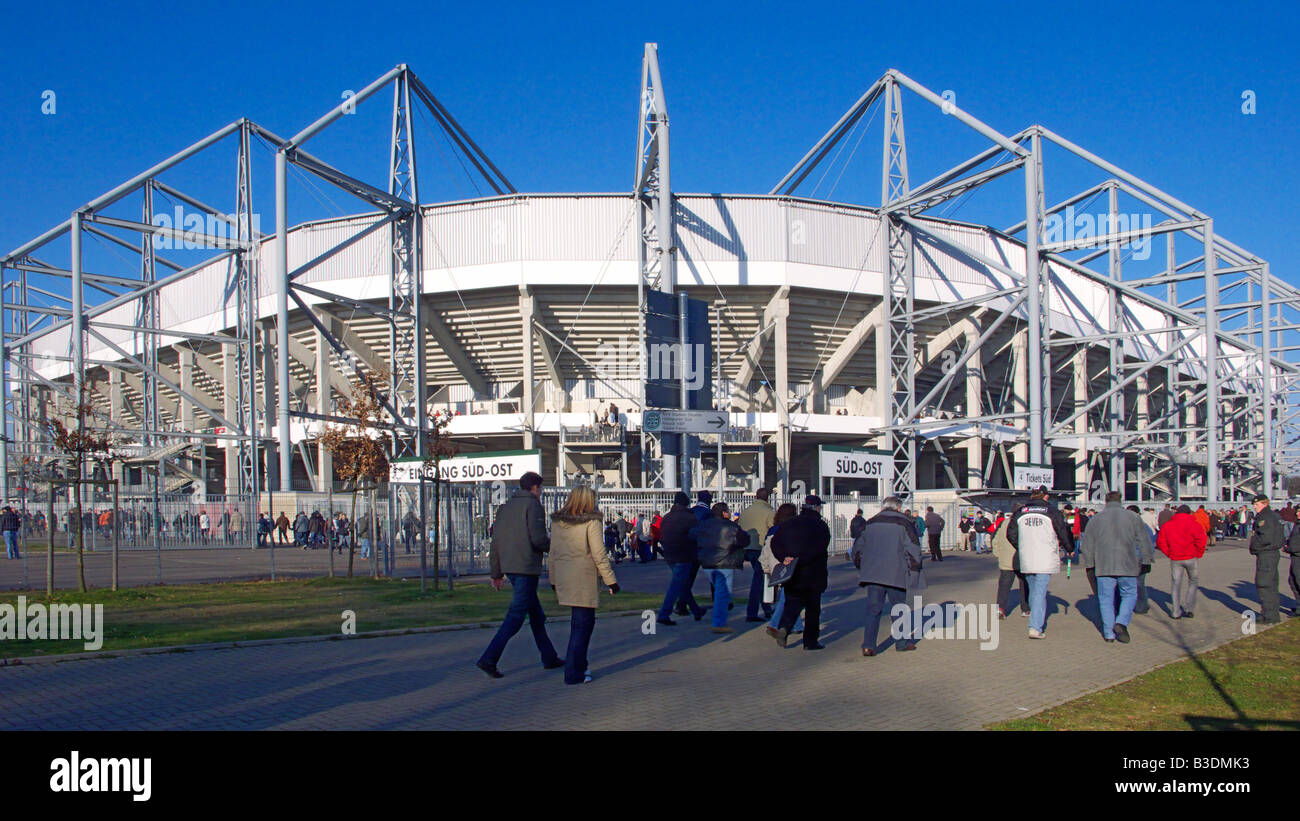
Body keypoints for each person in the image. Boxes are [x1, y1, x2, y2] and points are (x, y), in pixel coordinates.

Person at [476, 472, 564, 678]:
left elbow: (495, 541)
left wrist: (496, 572)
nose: (540, 492)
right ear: (534, 488)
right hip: (526, 567)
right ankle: (489, 658)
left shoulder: (504, 509)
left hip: (510, 567)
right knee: (515, 617)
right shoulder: (533, 506)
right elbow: (538, 539)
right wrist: (558, 548)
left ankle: (549, 657)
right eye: (540, 489)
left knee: (536, 616)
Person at [547, 485, 619, 685]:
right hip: (584, 577)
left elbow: (552, 554)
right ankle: (574, 671)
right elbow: (598, 553)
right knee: (583, 626)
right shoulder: (592, 521)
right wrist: (610, 579)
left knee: (577, 623)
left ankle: (580, 665)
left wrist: (553, 579)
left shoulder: (558, 522)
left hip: (565, 576)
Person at [852, 496, 923, 656]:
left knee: (873, 610)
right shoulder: (905, 523)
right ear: (898, 508)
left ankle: (868, 645)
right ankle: (902, 642)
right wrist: (914, 571)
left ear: (883, 507)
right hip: (896, 573)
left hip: (873, 574)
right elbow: (913, 550)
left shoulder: (869, 523)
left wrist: (862, 567)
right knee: (898, 608)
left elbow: (857, 549)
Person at [1080, 492, 1152, 643]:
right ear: (1121, 501)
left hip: (1103, 565)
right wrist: (1146, 560)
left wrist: (1090, 564)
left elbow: (1086, 544)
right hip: (1128, 564)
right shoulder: (1133, 517)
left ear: (1106, 501)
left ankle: (1108, 634)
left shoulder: (1096, 519)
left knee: (1105, 599)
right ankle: (1121, 622)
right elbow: (1144, 541)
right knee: (1130, 594)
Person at [1007, 486, 1073, 639]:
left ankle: (1035, 622)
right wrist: (1069, 547)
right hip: (1045, 556)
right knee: (1040, 591)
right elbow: (1062, 530)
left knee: (1034, 589)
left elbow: (1010, 533)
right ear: (1046, 496)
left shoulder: (1020, 512)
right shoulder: (1052, 511)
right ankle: (1035, 627)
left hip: (1027, 557)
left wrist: (1020, 546)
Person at [770, 495, 832, 650]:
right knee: (813, 608)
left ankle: (784, 628)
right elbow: (820, 548)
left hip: (792, 572)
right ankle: (810, 642)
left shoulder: (788, 524)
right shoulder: (821, 526)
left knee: (792, 603)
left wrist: (785, 558)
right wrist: (802, 559)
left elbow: (775, 543)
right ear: (817, 508)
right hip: (813, 574)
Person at [690, 502, 750, 633]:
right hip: (725, 562)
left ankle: (719, 620)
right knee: (723, 594)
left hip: (707, 562)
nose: (729, 512)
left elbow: (692, 535)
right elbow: (744, 540)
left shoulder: (704, 525)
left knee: (719, 591)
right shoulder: (731, 526)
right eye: (727, 510)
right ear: (723, 513)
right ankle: (718, 622)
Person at [655, 492, 707, 625]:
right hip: (683, 555)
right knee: (676, 585)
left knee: (682, 584)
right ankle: (664, 613)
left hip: (669, 555)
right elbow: (697, 535)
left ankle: (696, 610)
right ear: (686, 503)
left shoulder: (667, 517)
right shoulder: (690, 518)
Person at [1157, 504, 1207, 619]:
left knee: (1176, 584)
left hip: (1176, 558)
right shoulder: (1194, 524)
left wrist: (1168, 553)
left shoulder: (1168, 525)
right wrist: (1199, 553)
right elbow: (1201, 540)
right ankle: (1189, 608)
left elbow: (1161, 542)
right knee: (1193, 581)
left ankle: (1175, 611)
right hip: (1191, 557)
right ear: (1189, 513)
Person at [737, 488, 776, 623]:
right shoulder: (769, 512)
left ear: (755, 497)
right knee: (759, 581)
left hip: (747, 548)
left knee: (760, 579)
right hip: (760, 548)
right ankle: (752, 612)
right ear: (767, 498)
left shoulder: (745, 512)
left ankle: (766, 608)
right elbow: (773, 531)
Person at [764, 503, 803, 636]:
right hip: (785, 564)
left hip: (774, 565)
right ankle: (774, 624)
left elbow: (766, 550)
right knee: (787, 596)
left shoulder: (773, 529)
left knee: (788, 594)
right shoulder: (791, 529)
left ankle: (797, 625)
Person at [1248, 495, 1284, 624]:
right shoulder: (1274, 515)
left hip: (1266, 553)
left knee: (1264, 584)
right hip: (1272, 553)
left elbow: (1265, 537)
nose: (1254, 507)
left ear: (1264, 503)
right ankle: (1272, 613)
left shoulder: (1265, 517)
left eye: (1256, 505)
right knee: (1272, 584)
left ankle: (1269, 616)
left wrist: (1254, 547)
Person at [991, 512, 1029, 618]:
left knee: (1004, 586)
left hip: (1006, 560)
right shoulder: (1024, 523)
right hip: (1022, 560)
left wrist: (998, 554)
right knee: (1024, 584)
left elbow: (995, 539)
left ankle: (1000, 608)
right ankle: (1025, 609)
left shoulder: (1003, 523)